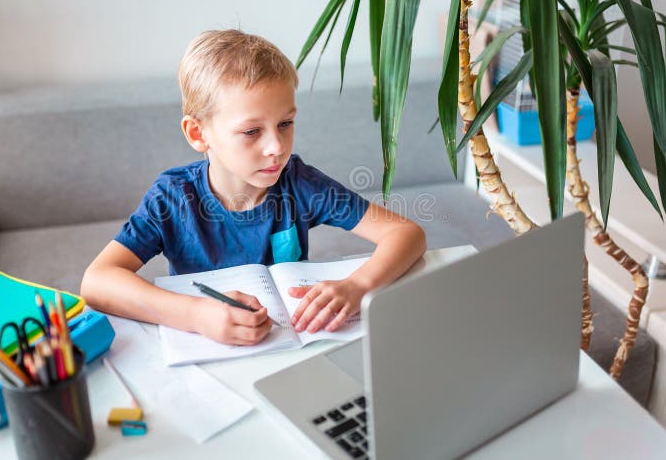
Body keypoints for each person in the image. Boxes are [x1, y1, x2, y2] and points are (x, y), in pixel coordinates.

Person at [81, 29, 426, 346]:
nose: (277, 146)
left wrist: (358, 285)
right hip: (210, 354)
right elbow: (97, 282)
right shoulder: (173, 198)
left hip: (292, 348)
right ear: (198, 134)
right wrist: (197, 315)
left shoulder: (300, 183)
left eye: (285, 124)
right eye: (251, 132)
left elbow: (406, 234)